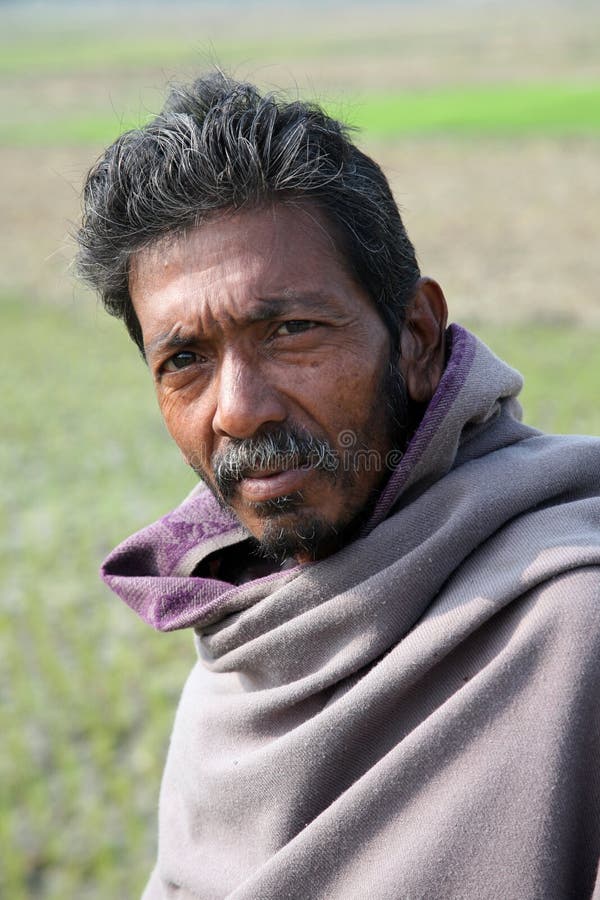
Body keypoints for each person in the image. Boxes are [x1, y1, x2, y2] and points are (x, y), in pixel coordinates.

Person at [77, 73, 600, 899]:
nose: (239, 411)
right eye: (185, 362)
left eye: (291, 331)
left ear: (418, 338)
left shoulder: (575, 628)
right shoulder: (239, 644)